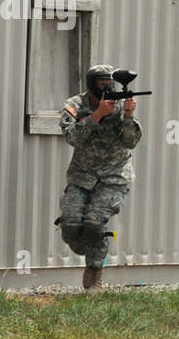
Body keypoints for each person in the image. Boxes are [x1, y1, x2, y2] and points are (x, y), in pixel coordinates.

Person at [58, 64, 142, 290]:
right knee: (71, 225)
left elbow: (130, 142)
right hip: (82, 176)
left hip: (114, 176)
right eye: (101, 83)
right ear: (91, 84)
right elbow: (72, 137)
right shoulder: (74, 104)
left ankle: (95, 271)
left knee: (94, 224)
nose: (106, 87)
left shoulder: (121, 104)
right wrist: (97, 116)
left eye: (109, 83)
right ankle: (88, 250)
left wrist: (128, 115)